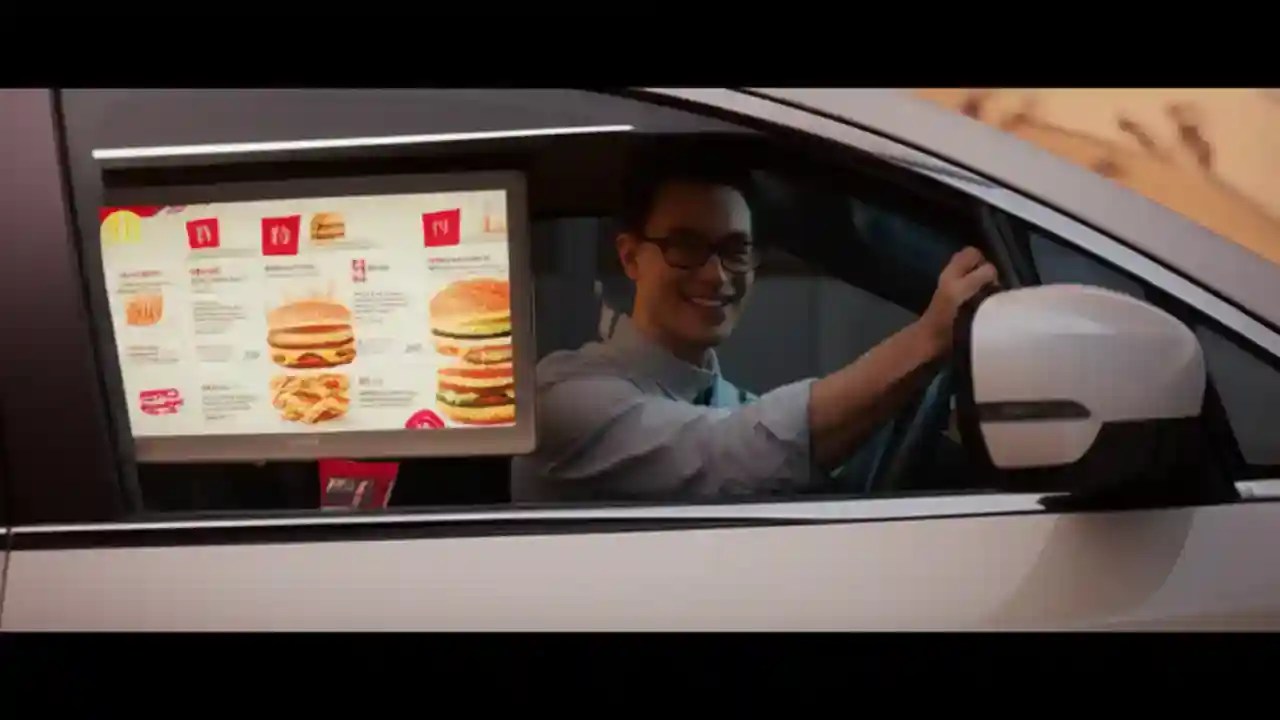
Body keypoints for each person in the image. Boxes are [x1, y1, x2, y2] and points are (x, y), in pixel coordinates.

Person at [509, 159, 997, 502]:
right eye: (686, 246)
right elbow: (732, 453)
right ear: (630, 256)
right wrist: (927, 341)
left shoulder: (731, 405)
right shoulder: (560, 403)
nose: (716, 275)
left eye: (736, 249)